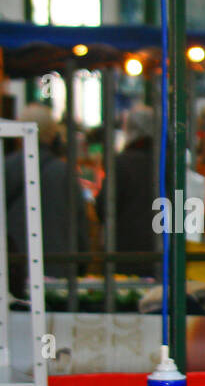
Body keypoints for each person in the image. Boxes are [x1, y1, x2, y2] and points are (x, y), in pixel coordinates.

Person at [4, 103, 89, 291]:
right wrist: (81, 262)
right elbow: (80, 222)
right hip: (58, 268)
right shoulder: (64, 171)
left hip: (16, 271)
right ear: (52, 133)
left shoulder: (6, 168)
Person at [95, 107, 161, 279]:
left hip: (126, 251)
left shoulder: (122, 163)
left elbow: (104, 207)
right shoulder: (168, 163)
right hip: (162, 252)